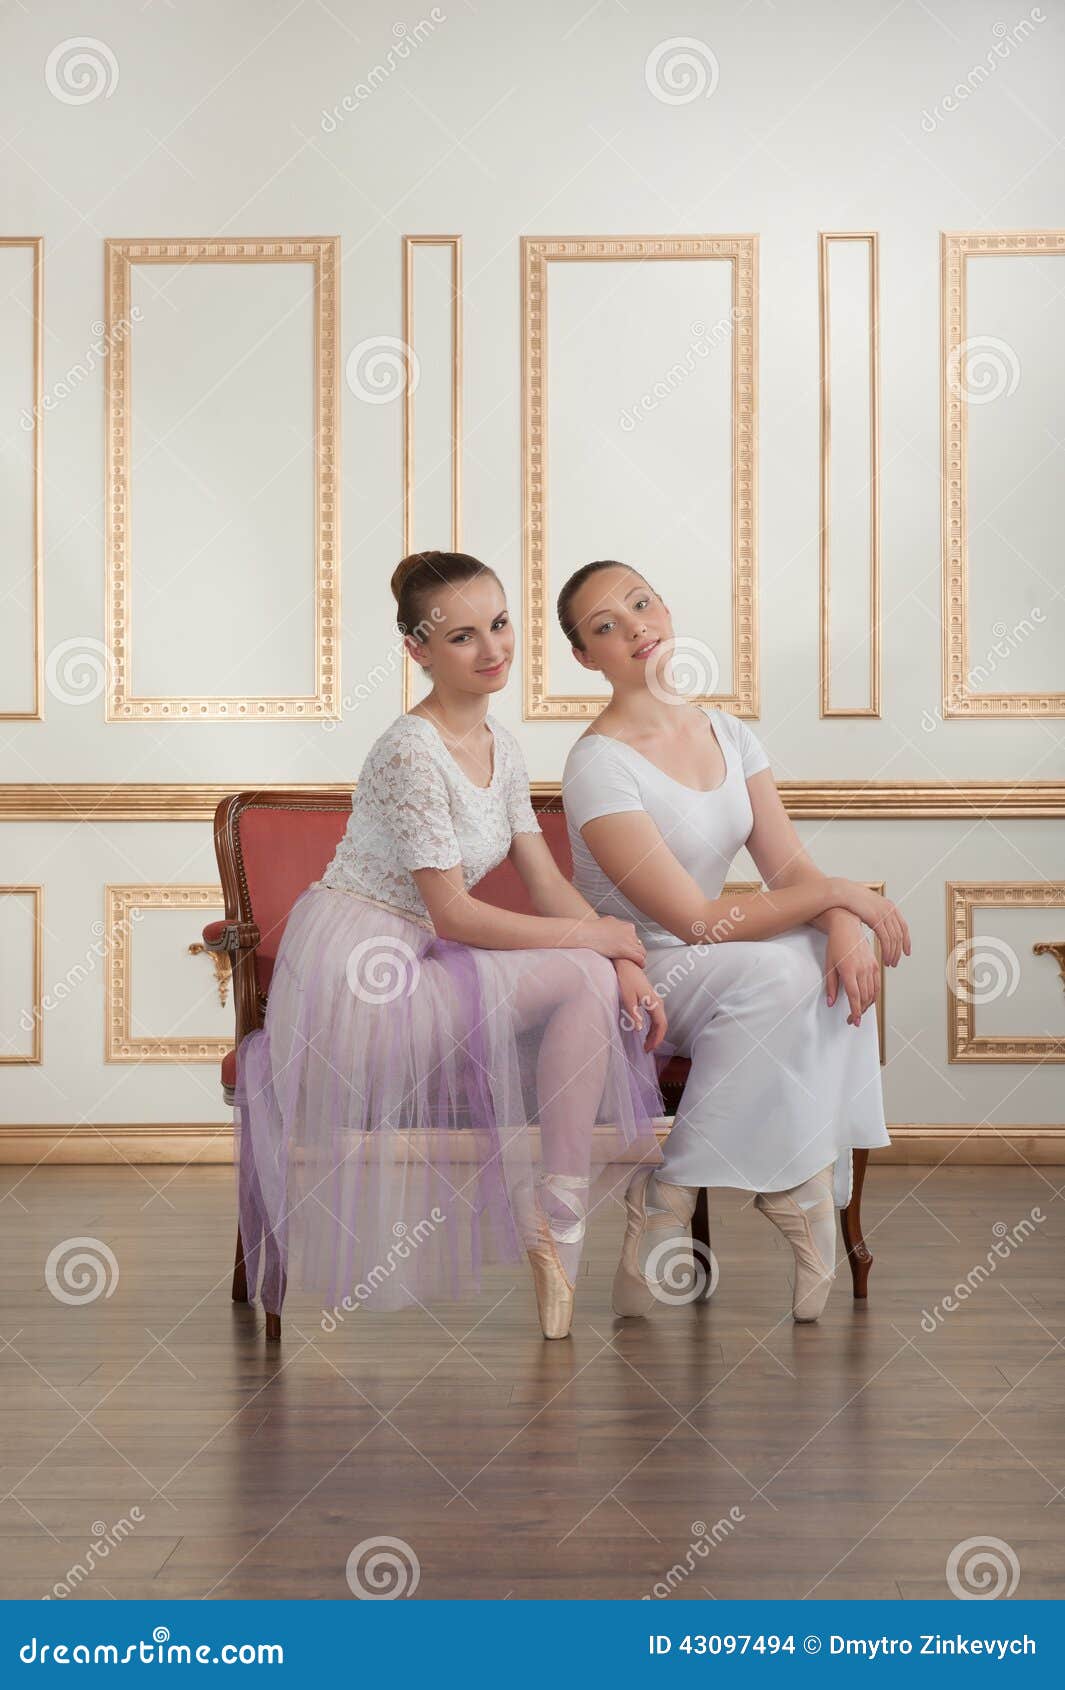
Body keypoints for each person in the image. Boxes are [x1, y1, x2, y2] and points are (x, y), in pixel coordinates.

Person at [233, 550, 664, 1342]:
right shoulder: (408, 751)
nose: (492, 649)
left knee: (589, 977)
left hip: (429, 967)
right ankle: (557, 1220)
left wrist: (623, 958)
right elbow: (454, 915)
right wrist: (599, 940)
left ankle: (557, 1222)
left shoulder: (502, 745)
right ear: (418, 652)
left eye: (499, 625)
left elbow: (543, 881)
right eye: (463, 637)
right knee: (578, 972)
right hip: (364, 980)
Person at [557, 560, 909, 1323]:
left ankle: (684, 1197)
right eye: (604, 627)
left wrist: (842, 924)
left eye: (641, 603)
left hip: (711, 963)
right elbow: (689, 921)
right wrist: (840, 897)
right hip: (635, 972)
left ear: (667, 607)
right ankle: (785, 1190)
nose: (634, 627)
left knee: (818, 959)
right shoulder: (596, 766)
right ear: (586, 658)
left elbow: (789, 869)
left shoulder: (729, 732)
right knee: (781, 974)